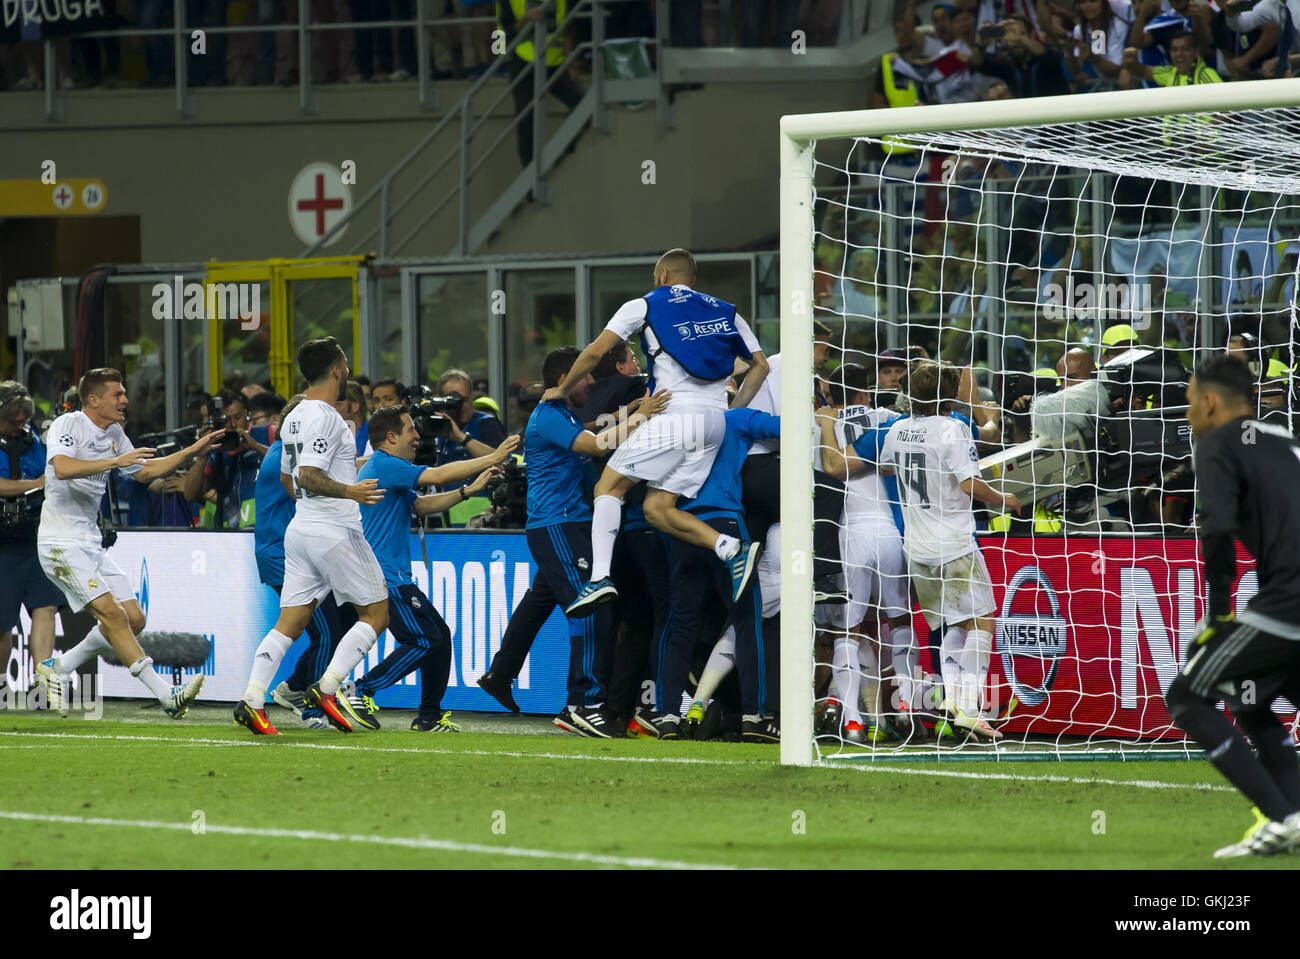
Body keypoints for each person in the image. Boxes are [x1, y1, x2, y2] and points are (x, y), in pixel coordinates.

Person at [549, 249, 771, 619]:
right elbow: (759, 366)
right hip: (714, 422)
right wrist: (732, 412)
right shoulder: (727, 310)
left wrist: (562, 389)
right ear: (692, 278)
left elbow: (594, 352)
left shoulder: (644, 305)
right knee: (656, 508)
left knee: (607, 487)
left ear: (663, 275)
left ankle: (600, 577)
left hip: (675, 414)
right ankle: (732, 549)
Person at [476, 347, 668, 737]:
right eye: (586, 376)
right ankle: (583, 703)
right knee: (592, 607)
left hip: (565, 525)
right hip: (560, 525)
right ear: (567, 378)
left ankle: (501, 672)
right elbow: (595, 445)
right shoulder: (548, 415)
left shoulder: (559, 413)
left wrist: (626, 413)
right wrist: (642, 417)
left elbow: (593, 428)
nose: (594, 383)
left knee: (540, 601)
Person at [1165, 354, 1300, 856]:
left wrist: (1219, 611)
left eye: (1188, 400)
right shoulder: (1284, 439)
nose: (1185, 414)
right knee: (1251, 695)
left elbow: (1217, 527)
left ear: (1211, 401)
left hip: (1288, 599)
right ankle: (1291, 817)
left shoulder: (1218, 442)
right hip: (1289, 597)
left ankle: (1283, 817)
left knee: (1187, 695)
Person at [34, 369, 223, 718]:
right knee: (113, 615)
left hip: (89, 541)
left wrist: (193, 452)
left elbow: (144, 471)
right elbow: (60, 467)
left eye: (124, 393)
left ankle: (58, 667)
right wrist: (113, 461)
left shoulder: (116, 432)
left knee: (134, 619)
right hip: (60, 542)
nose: (125, 400)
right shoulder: (69, 425)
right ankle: (168, 696)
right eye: (117, 394)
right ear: (93, 400)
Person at [233, 337, 390, 735]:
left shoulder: (294, 417)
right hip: (333, 529)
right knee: (376, 614)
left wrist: (311, 508)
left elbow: (289, 477)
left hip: (301, 530)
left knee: (292, 621)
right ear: (337, 368)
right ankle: (328, 688)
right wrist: (349, 492)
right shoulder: (325, 416)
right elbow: (308, 475)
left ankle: (252, 700)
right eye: (346, 360)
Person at [341, 406, 514, 732]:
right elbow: (435, 475)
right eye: (410, 430)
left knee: (439, 637)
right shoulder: (386, 464)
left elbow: (419, 504)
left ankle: (429, 717)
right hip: (384, 577)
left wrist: (467, 492)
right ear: (390, 437)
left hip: (391, 575)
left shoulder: (388, 469)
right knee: (424, 640)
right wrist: (493, 457)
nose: (417, 437)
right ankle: (359, 689)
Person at [877, 361, 1021, 739]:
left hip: (917, 547)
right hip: (953, 542)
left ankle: (958, 704)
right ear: (949, 394)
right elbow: (971, 485)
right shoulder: (953, 428)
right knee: (981, 621)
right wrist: (1003, 498)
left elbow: (887, 468)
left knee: (950, 624)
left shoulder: (898, 429)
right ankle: (970, 705)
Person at [632, 402, 782, 743]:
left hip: (682, 527)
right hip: (726, 523)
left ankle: (668, 714)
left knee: (681, 624)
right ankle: (753, 716)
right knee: (746, 622)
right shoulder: (736, 418)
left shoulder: (676, 423)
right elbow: (785, 429)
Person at [814, 364, 916, 744]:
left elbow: (827, 470)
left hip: (848, 534)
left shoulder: (819, 422)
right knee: (899, 618)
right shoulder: (888, 417)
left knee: (848, 628)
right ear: (864, 392)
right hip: (890, 532)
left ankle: (854, 720)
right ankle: (905, 706)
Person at [253, 394, 355, 730]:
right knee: (327, 634)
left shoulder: (279, 454)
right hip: (284, 553)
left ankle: (293, 689)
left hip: (287, 551)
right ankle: (312, 708)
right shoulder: (286, 459)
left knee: (333, 626)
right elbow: (313, 489)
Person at [0, 382, 63, 707]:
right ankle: (0, 690)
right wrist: (36, 484)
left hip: (34, 537)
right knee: (2, 625)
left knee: (46, 607)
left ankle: (45, 683)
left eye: (24, 419)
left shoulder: (33, 441)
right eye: (13, 420)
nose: (19, 425)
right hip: (2, 544)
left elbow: (49, 470)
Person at [497, 0, 584, 167]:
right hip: (522, 61)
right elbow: (502, 36)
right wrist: (525, 20)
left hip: (555, 61)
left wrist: (571, 62)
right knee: (526, 123)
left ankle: (560, 150)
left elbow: (569, 27)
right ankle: (530, 182)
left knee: (582, 103)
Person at [181, 388, 267, 529]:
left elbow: (285, 465)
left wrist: (254, 446)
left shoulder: (265, 434)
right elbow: (191, 494)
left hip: (262, 531)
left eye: (238, 417)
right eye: (226, 420)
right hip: (227, 536)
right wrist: (203, 453)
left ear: (246, 414)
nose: (233, 425)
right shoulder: (216, 450)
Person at [1121, 30, 1223, 84]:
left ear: (1196, 52)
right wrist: (1130, 61)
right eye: (1174, 50)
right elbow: (1142, 71)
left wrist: (1209, 124)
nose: (1179, 54)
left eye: (1185, 49)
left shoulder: (1206, 74)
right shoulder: (1170, 73)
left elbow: (1228, 107)